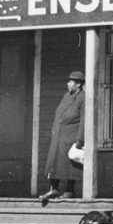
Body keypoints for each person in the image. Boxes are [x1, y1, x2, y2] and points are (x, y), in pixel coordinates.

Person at [39, 70, 85, 205]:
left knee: (71, 165)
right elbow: (59, 113)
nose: (68, 84)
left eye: (70, 82)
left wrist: (80, 139)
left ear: (78, 84)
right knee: (54, 162)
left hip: (72, 136)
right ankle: (54, 189)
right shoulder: (67, 96)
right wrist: (54, 130)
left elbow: (83, 120)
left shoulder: (83, 98)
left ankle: (70, 190)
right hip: (59, 135)